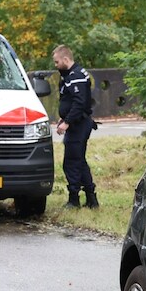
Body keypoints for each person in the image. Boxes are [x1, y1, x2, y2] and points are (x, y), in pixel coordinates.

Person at [52, 44, 98, 209]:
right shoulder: (71, 75)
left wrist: (67, 122)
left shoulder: (76, 75)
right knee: (79, 161)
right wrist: (63, 118)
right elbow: (70, 101)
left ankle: (74, 199)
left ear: (66, 59)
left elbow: (79, 102)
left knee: (71, 162)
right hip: (77, 123)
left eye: (57, 62)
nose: (56, 65)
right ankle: (91, 199)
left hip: (78, 125)